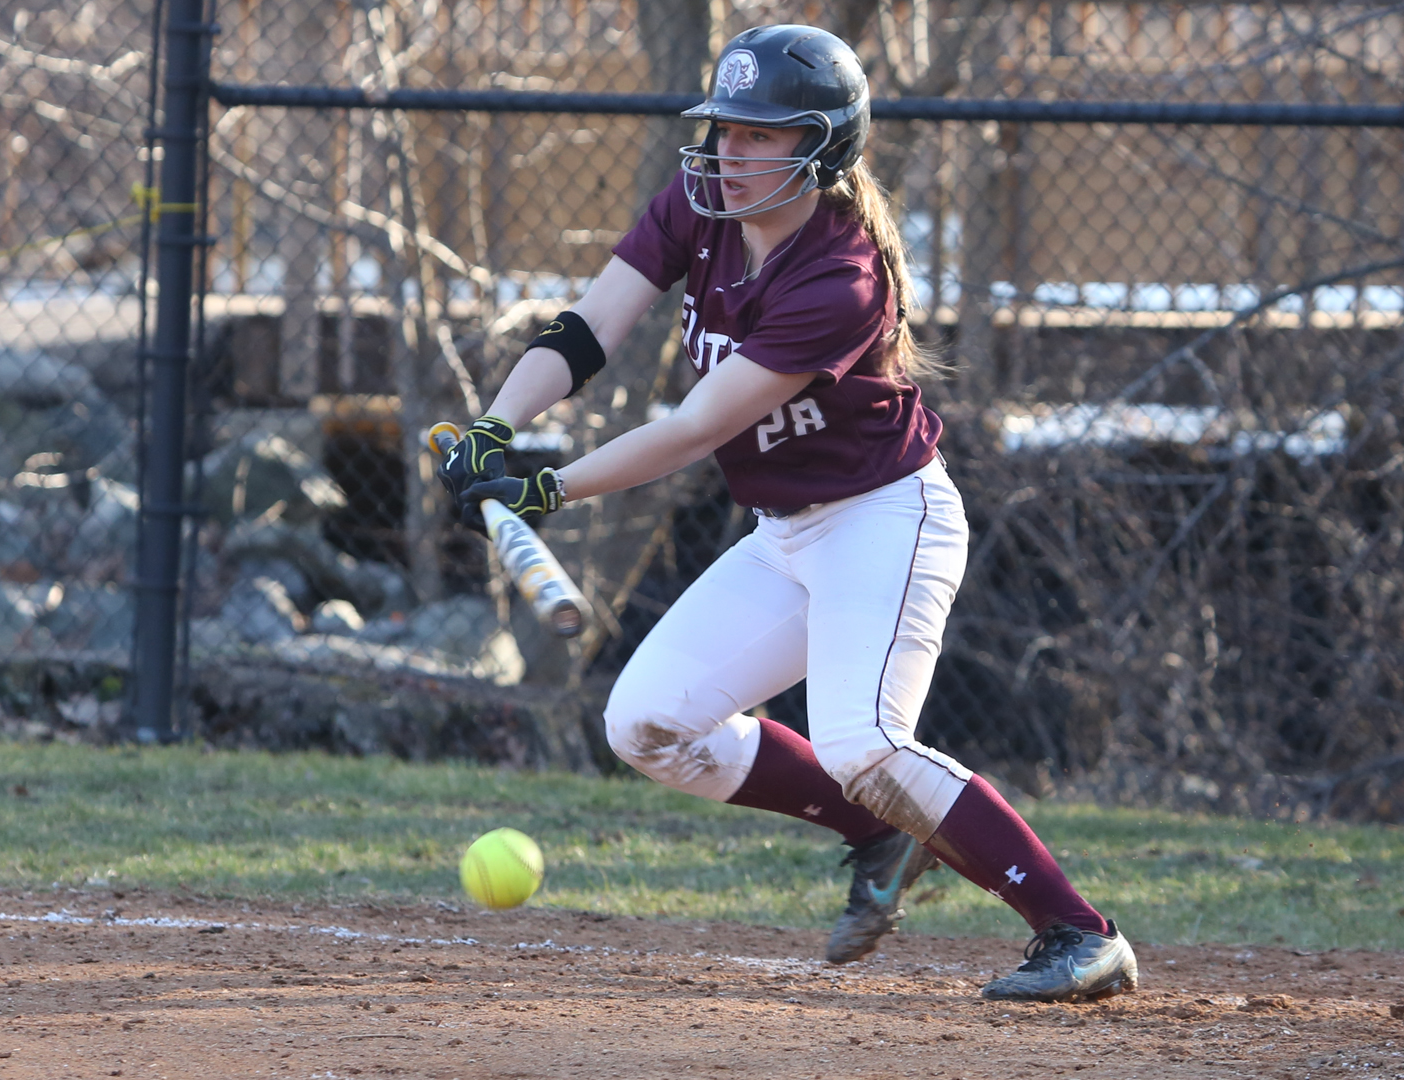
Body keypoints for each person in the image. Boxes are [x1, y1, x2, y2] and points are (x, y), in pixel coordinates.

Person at [439, 24, 1137, 1003]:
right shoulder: (698, 206)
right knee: (644, 724)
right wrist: (496, 428)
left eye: (763, 135)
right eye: (725, 128)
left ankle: (1078, 931)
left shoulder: (841, 279)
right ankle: (878, 831)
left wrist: (545, 486)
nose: (731, 151)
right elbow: (588, 328)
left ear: (823, 148)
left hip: (883, 524)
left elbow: (691, 430)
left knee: (865, 743)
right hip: (786, 533)